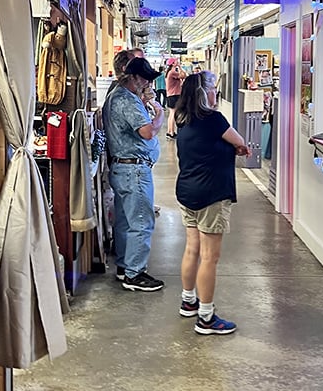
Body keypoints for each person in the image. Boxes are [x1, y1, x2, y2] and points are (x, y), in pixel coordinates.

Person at [174, 70, 250, 335]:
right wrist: (235, 148)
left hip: (187, 191)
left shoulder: (182, 119)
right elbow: (240, 142)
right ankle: (206, 317)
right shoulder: (214, 120)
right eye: (213, 88)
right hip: (211, 194)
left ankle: (189, 301)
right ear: (203, 92)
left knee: (192, 249)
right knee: (209, 257)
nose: (215, 93)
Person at [103, 56, 166, 292]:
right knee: (141, 220)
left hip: (123, 168)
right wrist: (159, 115)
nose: (148, 83)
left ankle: (124, 265)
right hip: (134, 170)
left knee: (125, 220)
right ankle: (135, 273)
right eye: (146, 79)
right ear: (136, 78)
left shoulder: (116, 95)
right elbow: (147, 132)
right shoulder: (127, 100)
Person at [165, 59, 184, 139]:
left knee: (171, 113)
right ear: (173, 64)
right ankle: (171, 133)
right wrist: (180, 67)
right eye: (176, 61)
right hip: (174, 95)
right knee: (173, 113)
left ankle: (170, 131)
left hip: (171, 95)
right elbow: (183, 75)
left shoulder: (170, 72)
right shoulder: (173, 72)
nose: (178, 62)